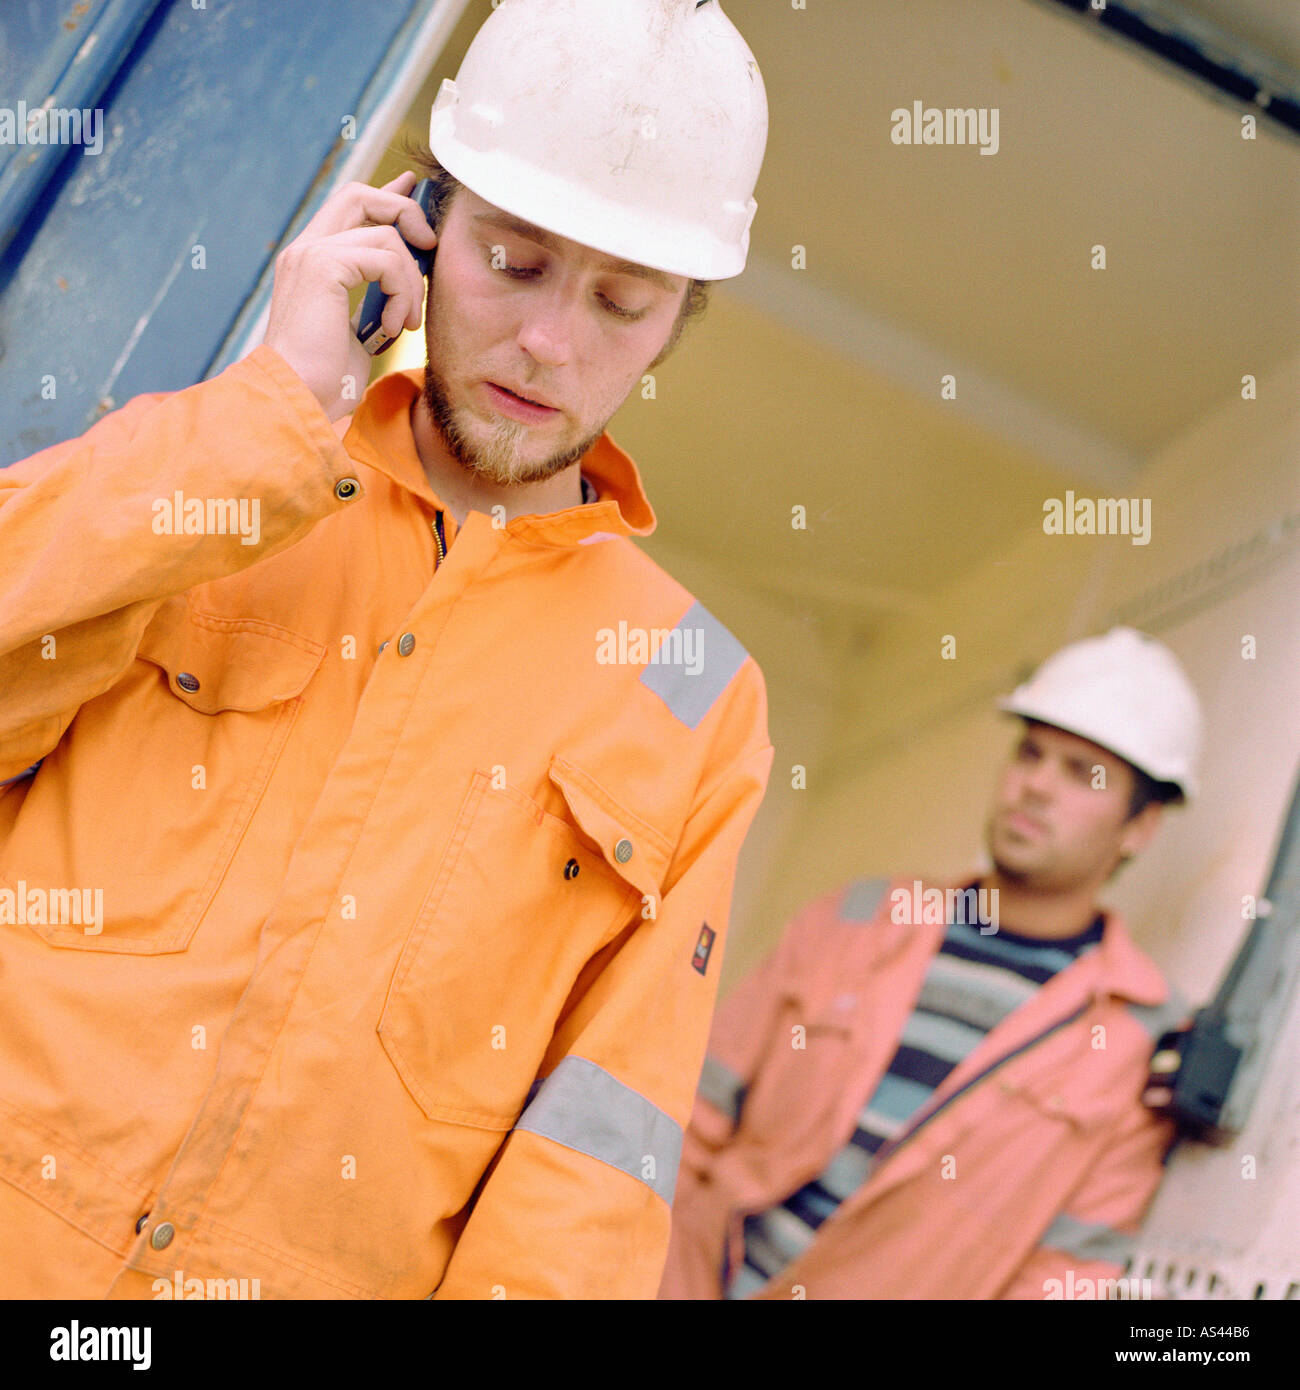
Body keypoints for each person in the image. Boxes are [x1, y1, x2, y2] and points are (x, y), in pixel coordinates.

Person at [0, 0, 770, 1299]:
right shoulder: (216, 479)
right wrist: (264, 419)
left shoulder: (696, 688)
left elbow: (590, 1161)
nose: (550, 342)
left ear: (677, 320)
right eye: (513, 264)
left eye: (623, 303)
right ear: (418, 221)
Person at [659, 627, 1201, 1300]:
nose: (1035, 786)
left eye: (1081, 774)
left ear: (1139, 826)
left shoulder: (1134, 1038)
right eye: (1030, 753)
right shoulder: (860, 917)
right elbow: (689, 1110)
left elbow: (1064, 1277)